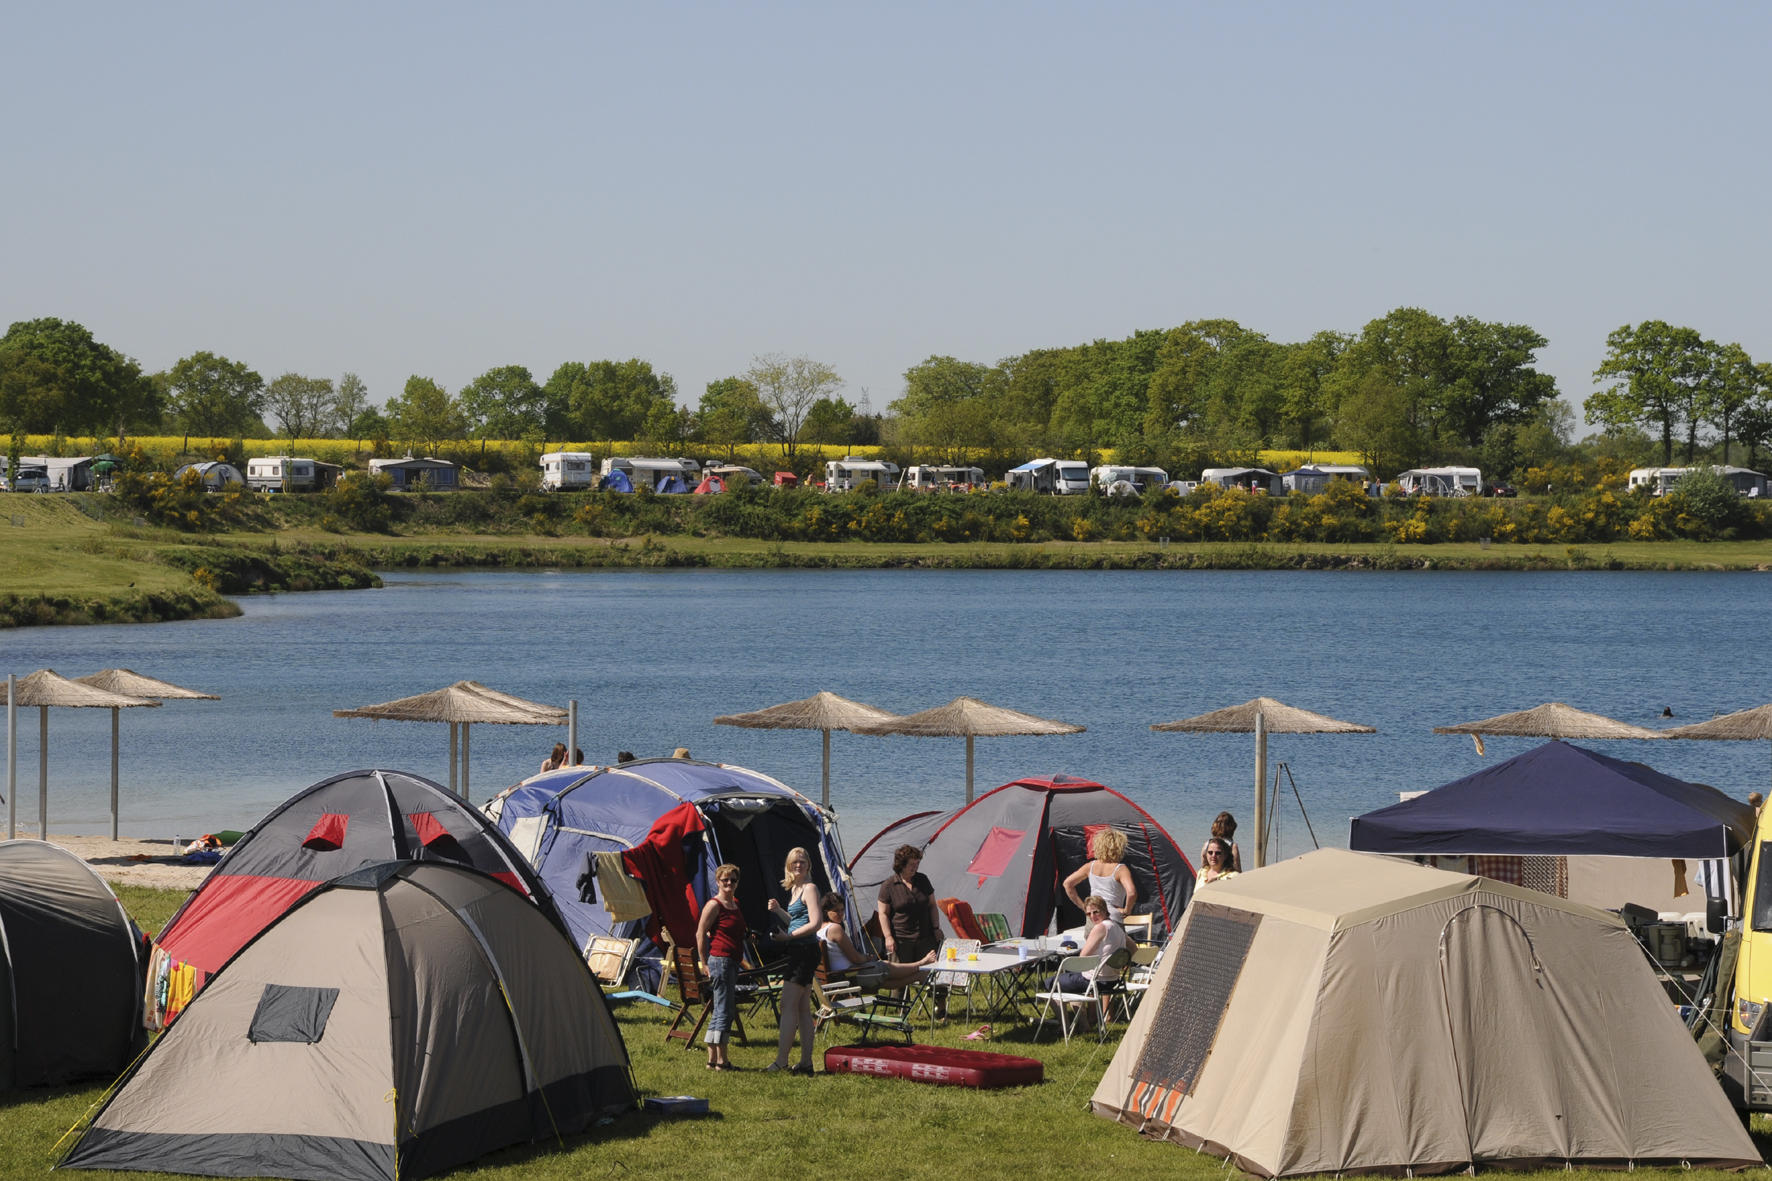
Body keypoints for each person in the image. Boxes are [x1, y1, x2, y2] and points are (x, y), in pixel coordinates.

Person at [766, 847, 823, 1074]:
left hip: (805, 951)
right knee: (802, 1008)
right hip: (802, 950)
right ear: (788, 866)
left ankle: (781, 1061)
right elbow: (798, 921)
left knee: (787, 1005)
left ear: (808, 864)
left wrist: (788, 937)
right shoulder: (796, 889)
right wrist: (780, 911)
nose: (798, 865)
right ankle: (806, 1063)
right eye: (794, 862)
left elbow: (816, 923)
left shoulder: (810, 888)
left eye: (802, 862)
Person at [876, 844, 948, 1018]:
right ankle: (900, 1012)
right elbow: (883, 914)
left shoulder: (923, 880)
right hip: (901, 938)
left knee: (934, 972)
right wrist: (888, 937)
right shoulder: (889, 885)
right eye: (912, 864)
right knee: (900, 976)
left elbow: (932, 906)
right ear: (901, 864)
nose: (915, 867)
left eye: (917, 863)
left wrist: (936, 928)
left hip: (926, 936)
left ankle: (941, 1009)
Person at [816, 893, 932, 989]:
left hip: (837, 977)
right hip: (848, 976)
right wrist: (865, 958)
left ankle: (919, 975)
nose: (841, 914)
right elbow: (854, 958)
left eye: (842, 909)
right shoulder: (835, 929)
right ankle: (920, 965)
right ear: (826, 912)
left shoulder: (819, 930)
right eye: (836, 911)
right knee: (885, 966)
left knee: (883, 979)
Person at [1045, 895, 1130, 1025]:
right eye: (1089, 914)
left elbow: (1082, 957)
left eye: (1096, 912)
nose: (1092, 916)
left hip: (1095, 981)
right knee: (1071, 981)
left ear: (1104, 910)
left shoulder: (1100, 928)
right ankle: (1083, 1025)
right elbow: (1133, 948)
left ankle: (1065, 1027)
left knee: (1050, 982)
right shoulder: (1117, 927)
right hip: (1113, 980)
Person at [694, 864, 747, 1071]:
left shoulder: (735, 903)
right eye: (725, 880)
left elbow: (735, 930)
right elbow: (700, 933)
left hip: (733, 960)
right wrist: (704, 962)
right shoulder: (714, 905)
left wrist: (748, 936)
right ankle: (722, 1062)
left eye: (733, 880)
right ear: (717, 882)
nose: (729, 883)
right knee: (725, 1010)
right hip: (720, 960)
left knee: (720, 1009)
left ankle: (712, 1060)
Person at [1063, 829, 1137, 921]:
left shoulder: (1090, 866)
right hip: (1111, 916)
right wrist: (1127, 911)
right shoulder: (1120, 869)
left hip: (1093, 916)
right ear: (1119, 848)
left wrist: (1085, 908)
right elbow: (1131, 893)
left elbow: (1067, 884)